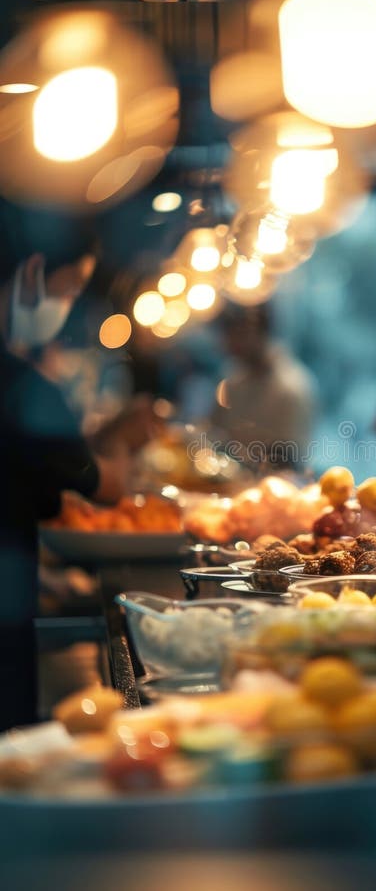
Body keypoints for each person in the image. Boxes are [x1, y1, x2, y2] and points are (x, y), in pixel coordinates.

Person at [0, 225, 158, 730]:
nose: (66, 304)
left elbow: (51, 462)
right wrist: (131, 437)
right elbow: (106, 485)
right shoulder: (23, 384)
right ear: (30, 275)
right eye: (69, 288)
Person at [211, 305, 316, 468]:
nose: (229, 343)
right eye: (226, 334)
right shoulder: (233, 378)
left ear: (261, 333)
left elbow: (290, 462)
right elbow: (215, 430)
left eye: (239, 334)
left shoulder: (292, 389)